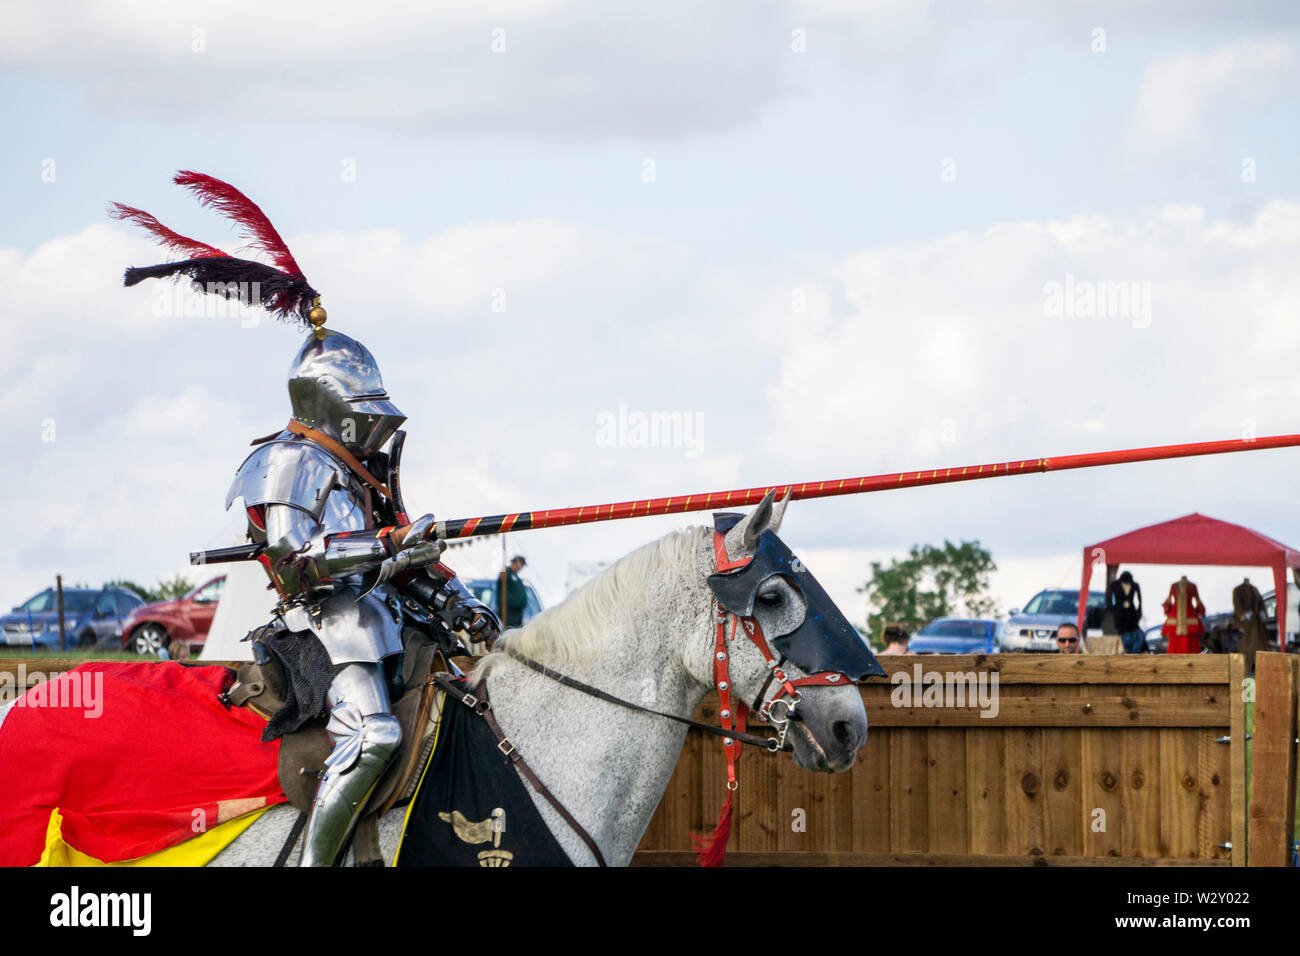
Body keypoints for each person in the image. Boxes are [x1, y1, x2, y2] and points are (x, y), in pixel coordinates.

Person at [115, 172, 499, 866]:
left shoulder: (359, 470)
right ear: (328, 403)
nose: (373, 426)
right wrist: (386, 545)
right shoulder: (288, 463)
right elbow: (301, 562)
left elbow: (404, 561)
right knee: (375, 736)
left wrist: (458, 598)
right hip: (325, 626)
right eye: (362, 408)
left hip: (387, 620)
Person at [1161, 575, 1205, 654]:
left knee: (1178, 644)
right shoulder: (1190, 586)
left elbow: (1168, 604)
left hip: (1176, 619)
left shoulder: (1176, 586)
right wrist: (1198, 612)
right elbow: (1199, 604)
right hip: (1190, 618)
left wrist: (1169, 612)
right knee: (1190, 645)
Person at [1106, 570, 1144, 654]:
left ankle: (1132, 650)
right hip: (1119, 613)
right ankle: (1123, 648)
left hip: (1131, 612)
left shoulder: (1135, 585)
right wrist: (1111, 609)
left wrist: (1139, 610)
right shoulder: (1114, 585)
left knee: (1133, 631)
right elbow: (1109, 597)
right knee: (1120, 631)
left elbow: (1139, 598)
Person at [503, 555, 529, 628]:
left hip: (517, 616)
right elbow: (502, 596)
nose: (521, 567)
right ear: (516, 562)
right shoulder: (506, 575)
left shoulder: (516, 577)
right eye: (521, 564)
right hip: (509, 615)